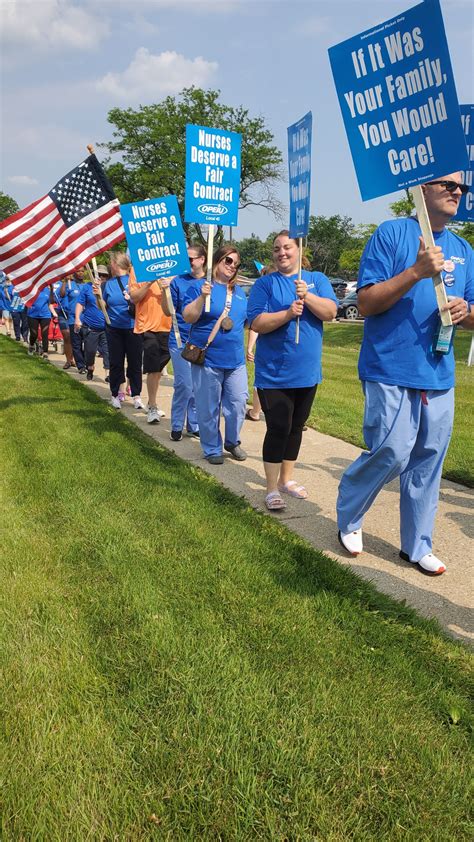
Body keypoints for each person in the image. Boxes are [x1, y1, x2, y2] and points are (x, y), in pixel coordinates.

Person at [336, 173, 474, 576]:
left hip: (438, 372)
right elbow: (365, 302)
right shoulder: (392, 233)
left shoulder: (464, 248)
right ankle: (350, 509)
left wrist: (466, 315)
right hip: (389, 367)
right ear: (421, 188)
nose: (456, 192)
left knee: (429, 461)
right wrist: (415, 271)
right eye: (447, 184)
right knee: (392, 451)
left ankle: (417, 545)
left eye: (461, 188)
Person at [247, 231, 337, 510]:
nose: (281, 253)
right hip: (274, 373)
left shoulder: (317, 280)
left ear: (299, 250)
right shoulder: (265, 284)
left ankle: (287, 480)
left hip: (307, 373)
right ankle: (271, 488)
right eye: (276, 249)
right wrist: (287, 313)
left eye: (287, 247)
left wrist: (307, 296)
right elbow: (257, 322)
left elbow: (331, 312)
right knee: (278, 428)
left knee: (296, 427)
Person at [182, 245, 248, 465]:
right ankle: (212, 448)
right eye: (228, 261)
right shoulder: (201, 287)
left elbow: (247, 322)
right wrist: (202, 297)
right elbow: (188, 317)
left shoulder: (239, 293)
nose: (232, 266)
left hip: (235, 360)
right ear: (217, 260)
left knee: (238, 403)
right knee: (208, 407)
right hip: (208, 359)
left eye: (236, 263)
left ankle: (232, 441)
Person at [161, 243, 206, 441]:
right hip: (179, 339)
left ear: (202, 259)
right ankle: (177, 424)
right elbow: (167, 311)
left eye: (191, 259)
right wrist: (164, 291)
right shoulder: (178, 281)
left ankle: (193, 424)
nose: (187, 262)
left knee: (198, 385)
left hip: (203, 341)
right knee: (184, 384)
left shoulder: (210, 282)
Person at [99, 254, 145, 411]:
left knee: (135, 363)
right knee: (116, 362)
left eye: (111, 263)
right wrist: (97, 296)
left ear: (115, 264)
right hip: (114, 328)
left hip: (133, 327)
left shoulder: (136, 280)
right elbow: (103, 307)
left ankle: (137, 395)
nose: (110, 266)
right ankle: (115, 394)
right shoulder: (108, 284)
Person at [129, 266, 172, 424]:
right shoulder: (137, 269)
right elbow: (134, 297)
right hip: (148, 326)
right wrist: (148, 282)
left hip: (170, 325)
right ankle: (152, 405)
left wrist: (167, 286)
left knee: (159, 368)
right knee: (153, 367)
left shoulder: (173, 267)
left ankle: (150, 402)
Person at [74, 272, 110, 381]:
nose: (101, 277)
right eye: (99, 275)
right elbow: (80, 303)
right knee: (90, 351)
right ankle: (90, 367)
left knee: (107, 351)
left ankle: (108, 373)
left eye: (104, 276)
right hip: (91, 326)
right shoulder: (87, 287)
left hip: (106, 326)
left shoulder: (108, 287)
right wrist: (77, 318)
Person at [59, 269, 86, 373]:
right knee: (76, 344)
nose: (81, 273)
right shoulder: (70, 284)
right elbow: (61, 295)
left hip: (85, 319)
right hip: (73, 319)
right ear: (74, 273)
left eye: (82, 271)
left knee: (87, 344)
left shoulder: (86, 285)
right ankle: (81, 366)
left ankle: (86, 363)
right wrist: (65, 281)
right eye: (78, 271)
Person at [26, 284, 56, 357]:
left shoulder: (47, 290)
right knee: (34, 333)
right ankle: (31, 345)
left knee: (44, 333)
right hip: (32, 315)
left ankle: (45, 352)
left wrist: (54, 313)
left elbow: (51, 303)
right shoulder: (31, 289)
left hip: (45, 315)